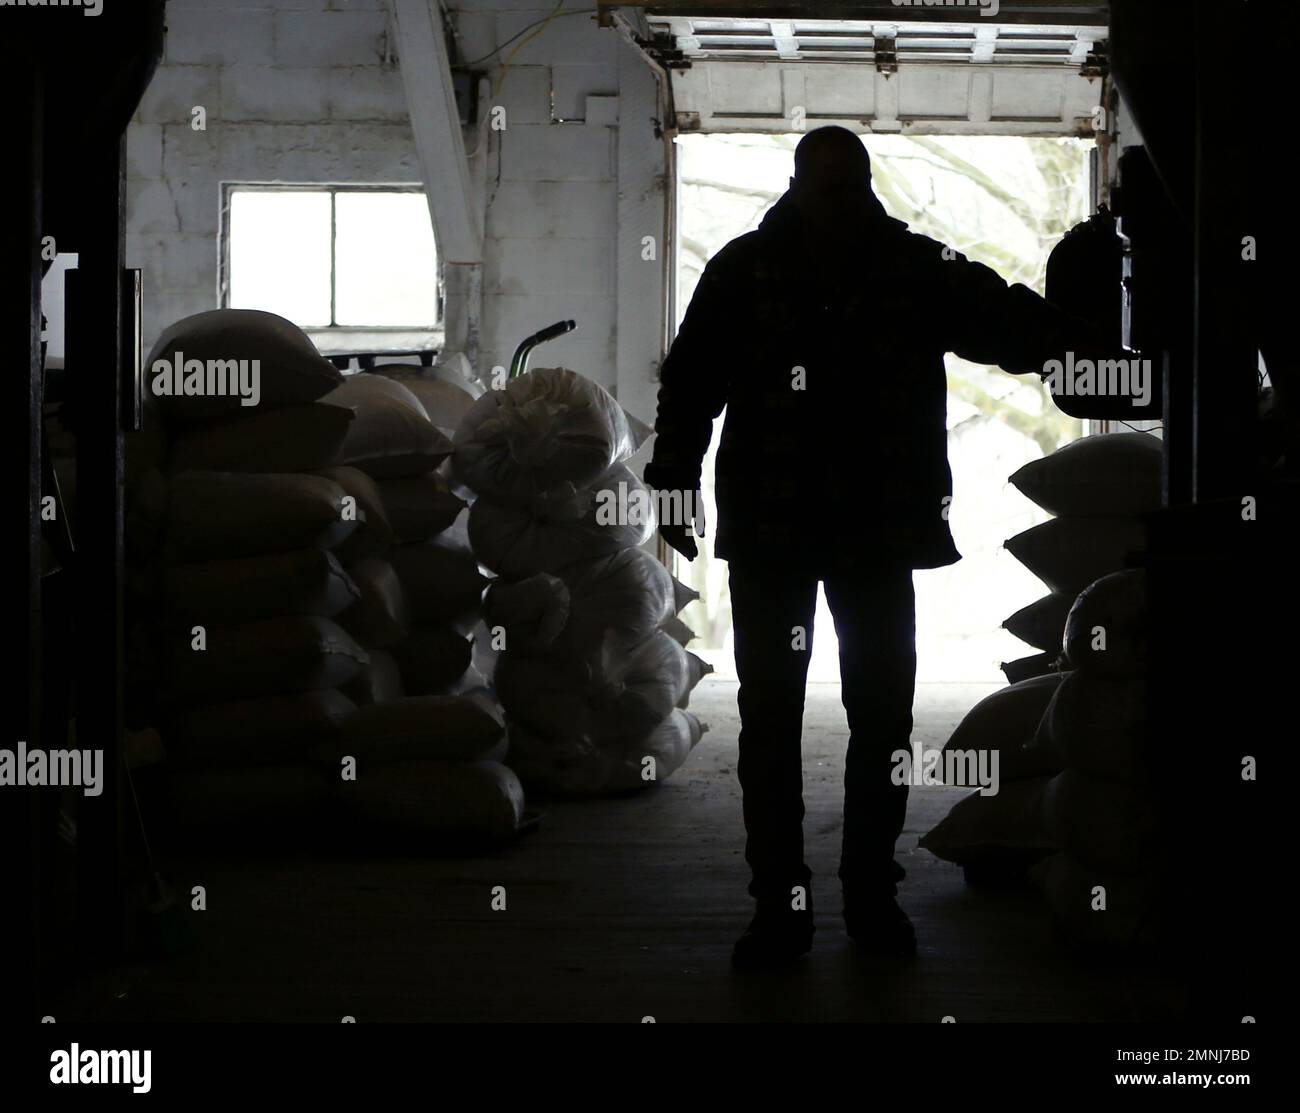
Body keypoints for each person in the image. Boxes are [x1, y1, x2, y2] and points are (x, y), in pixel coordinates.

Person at [643, 125, 1100, 969]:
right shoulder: (753, 271)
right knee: (774, 721)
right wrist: (672, 481)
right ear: (797, 188)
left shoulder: (906, 267)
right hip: (810, 531)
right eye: (826, 192)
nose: (837, 207)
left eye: (848, 191)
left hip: (860, 530)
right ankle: (789, 907)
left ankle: (867, 895)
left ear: (865, 188)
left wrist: (1102, 351)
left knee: (878, 719)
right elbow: (692, 384)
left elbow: (1006, 322)